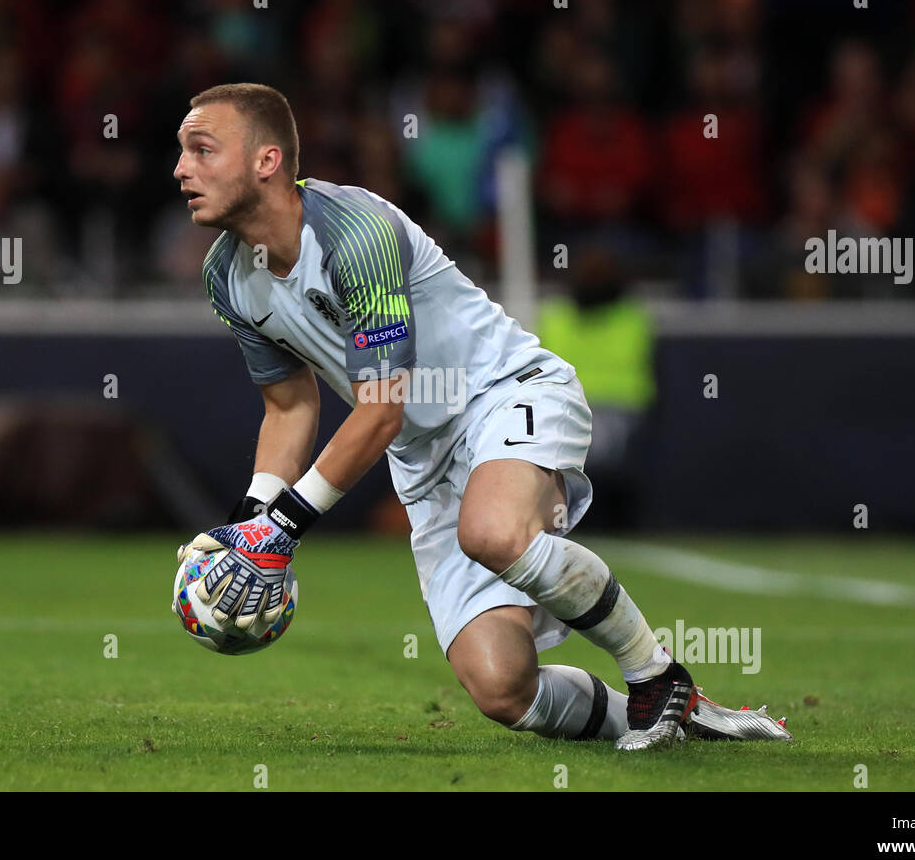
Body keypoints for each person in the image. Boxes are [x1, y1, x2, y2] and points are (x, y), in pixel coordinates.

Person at [172, 82, 694, 750]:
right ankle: (668, 722)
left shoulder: (354, 236)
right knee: (503, 688)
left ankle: (656, 677)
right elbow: (289, 402)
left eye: (202, 150)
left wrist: (284, 526)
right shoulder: (226, 275)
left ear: (267, 161)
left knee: (492, 530)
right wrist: (252, 518)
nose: (182, 169)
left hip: (503, 392)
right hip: (425, 460)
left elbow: (381, 411)